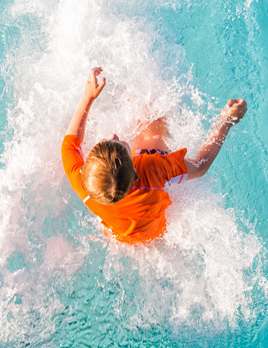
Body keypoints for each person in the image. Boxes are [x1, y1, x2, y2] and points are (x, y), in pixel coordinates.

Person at [61, 67, 248, 244]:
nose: (113, 136)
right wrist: (227, 121)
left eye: (107, 142)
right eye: (119, 143)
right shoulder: (152, 168)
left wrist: (88, 97)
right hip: (157, 231)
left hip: (122, 237)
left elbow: (70, 144)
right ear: (136, 166)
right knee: (151, 124)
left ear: (86, 170)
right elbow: (200, 166)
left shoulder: (84, 184)